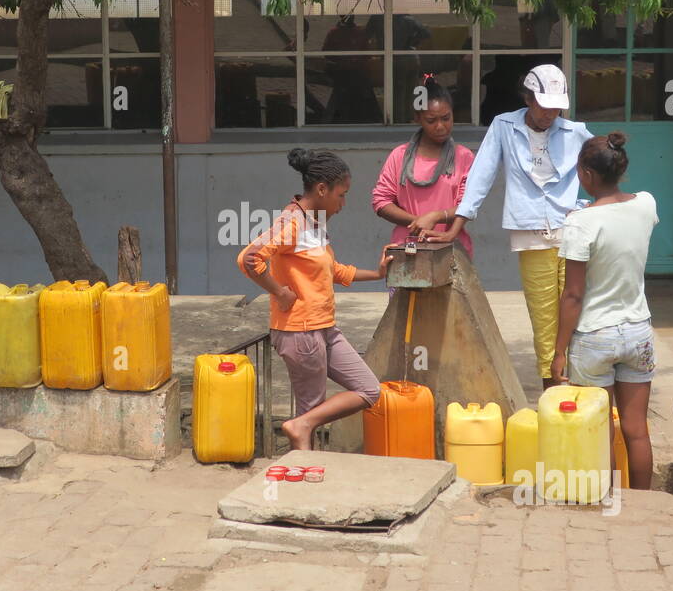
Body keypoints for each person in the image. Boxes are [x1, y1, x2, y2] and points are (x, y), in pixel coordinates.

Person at [421, 63, 593, 388]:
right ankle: (552, 387)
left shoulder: (576, 132)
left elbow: (603, 168)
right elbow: (481, 176)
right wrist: (457, 224)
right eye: (544, 104)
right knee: (544, 319)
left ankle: (582, 384)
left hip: (574, 232)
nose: (550, 113)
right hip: (531, 235)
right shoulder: (504, 126)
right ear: (528, 98)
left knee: (577, 309)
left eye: (556, 106)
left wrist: (592, 207)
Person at [238, 148, 390, 450]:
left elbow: (332, 270)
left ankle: (302, 437)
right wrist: (279, 292)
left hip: (324, 328)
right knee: (309, 413)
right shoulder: (292, 222)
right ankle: (305, 479)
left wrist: (377, 273)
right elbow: (249, 258)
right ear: (322, 189)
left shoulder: (315, 222)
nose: (343, 204)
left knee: (369, 390)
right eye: (341, 195)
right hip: (300, 330)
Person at [551, 132, 658, 490]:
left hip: (595, 337)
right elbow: (622, 215)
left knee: (600, 431)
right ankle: (645, 502)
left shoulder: (580, 224)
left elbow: (573, 296)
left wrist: (558, 351)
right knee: (636, 429)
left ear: (586, 175)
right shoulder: (646, 203)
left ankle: (609, 500)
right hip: (638, 332)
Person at [371, 74, 476, 261]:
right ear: (417, 118)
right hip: (406, 249)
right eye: (431, 120)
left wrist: (436, 216)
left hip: (451, 250)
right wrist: (417, 221)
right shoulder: (399, 156)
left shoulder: (464, 156)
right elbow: (381, 201)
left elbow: (468, 204)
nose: (440, 126)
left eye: (446, 118)